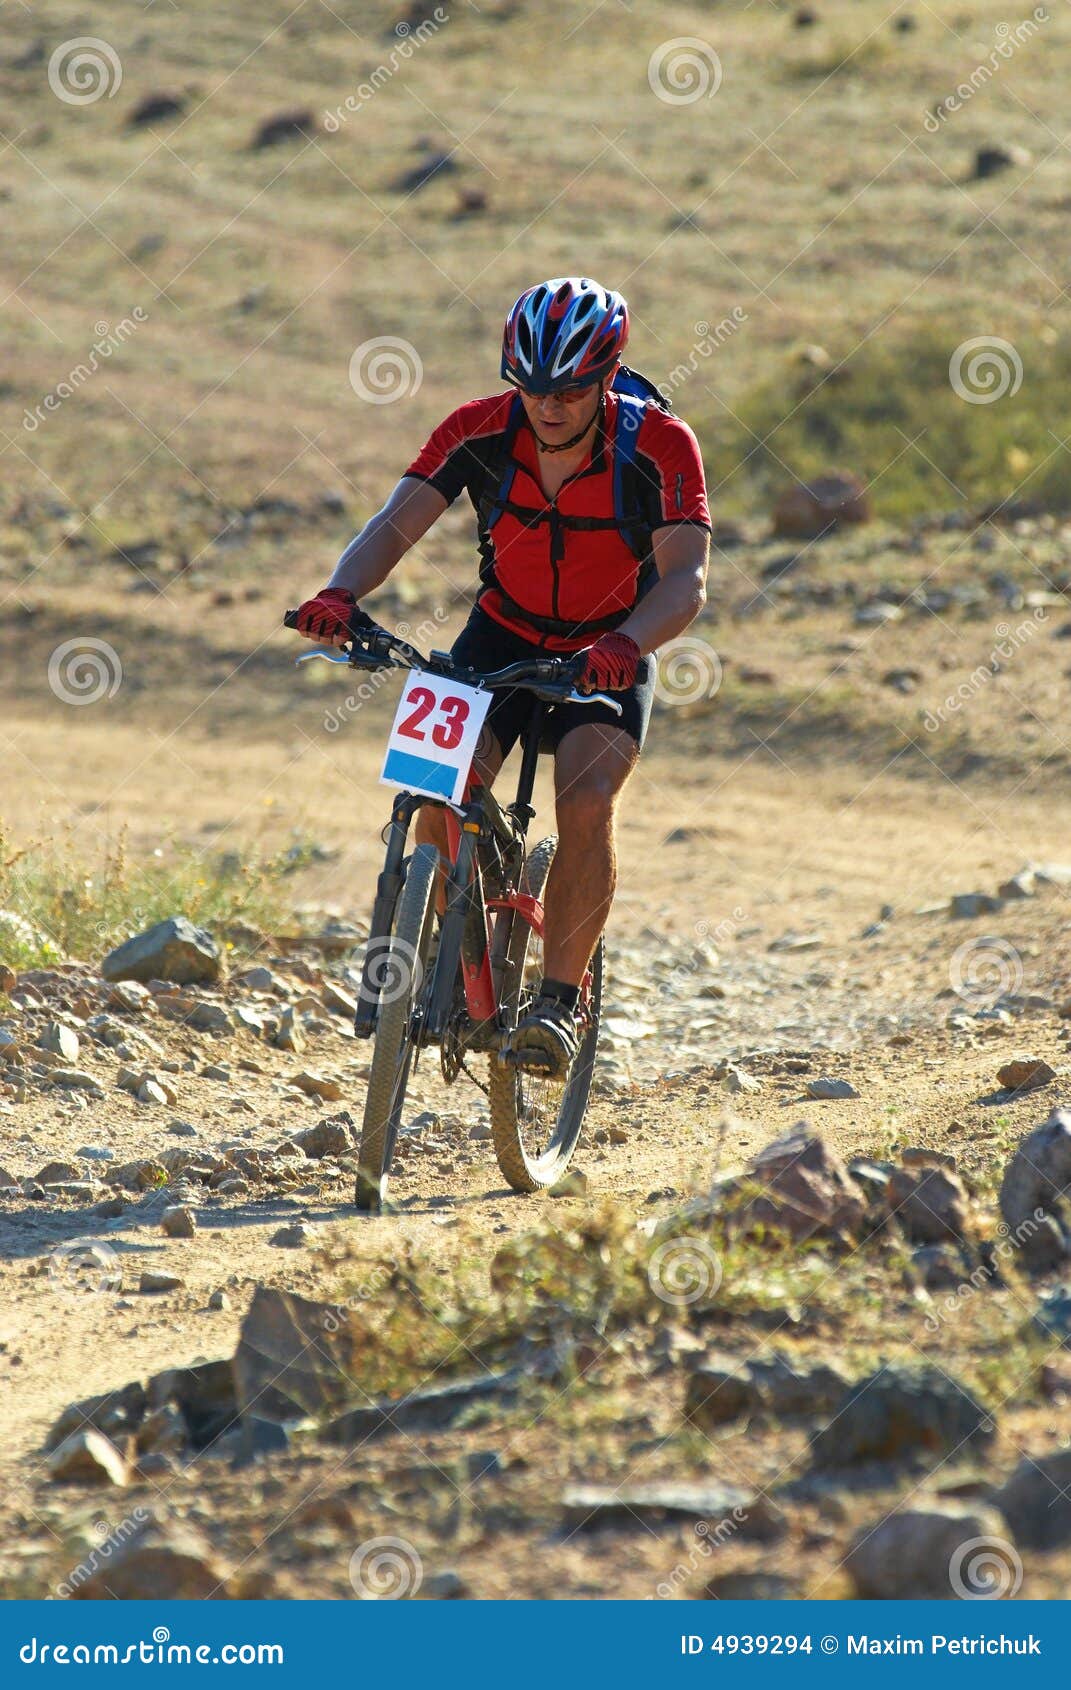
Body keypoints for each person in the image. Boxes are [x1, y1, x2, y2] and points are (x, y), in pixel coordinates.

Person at [291, 276, 710, 1077]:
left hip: (606, 647)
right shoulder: (476, 429)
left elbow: (684, 581)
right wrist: (340, 593)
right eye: (532, 388)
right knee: (432, 789)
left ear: (609, 376)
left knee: (584, 800)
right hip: (499, 633)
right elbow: (396, 522)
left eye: (570, 389)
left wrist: (625, 643)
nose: (547, 406)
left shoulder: (660, 445)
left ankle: (555, 1002)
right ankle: (454, 954)